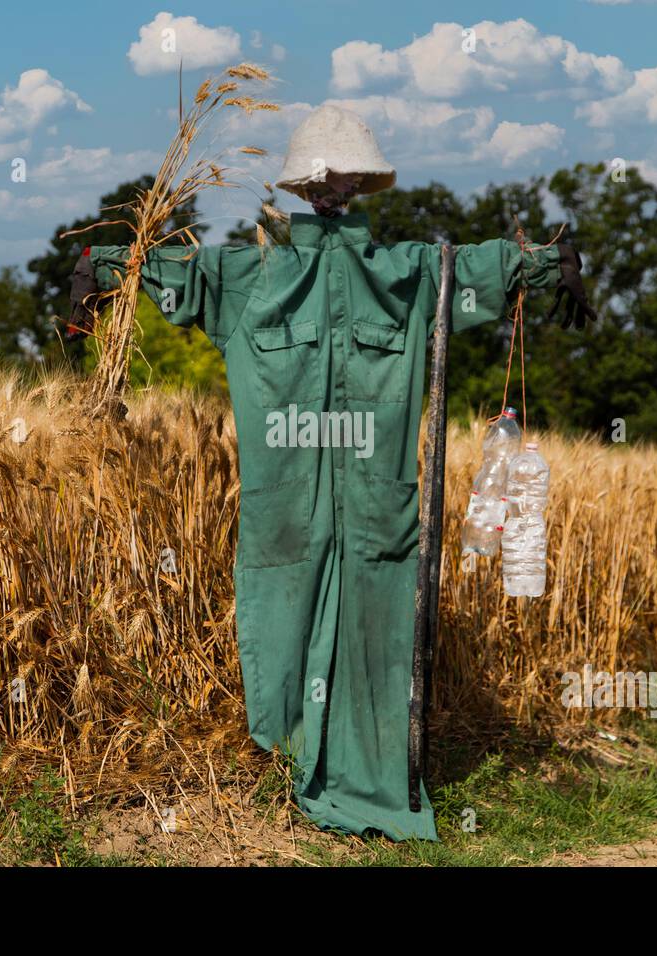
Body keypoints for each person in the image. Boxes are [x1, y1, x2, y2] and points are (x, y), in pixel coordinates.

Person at [67, 104, 595, 840]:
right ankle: (295, 766)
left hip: (380, 508)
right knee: (280, 640)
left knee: (382, 645)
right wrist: (103, 271)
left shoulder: (411, 274)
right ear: (311, 185)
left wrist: (550, 262)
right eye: (331, 177)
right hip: (285, 511)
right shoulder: (253, 276)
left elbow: (480, 265)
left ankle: (377, 778)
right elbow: (168, 272)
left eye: (349, 179)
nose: (337, 192)